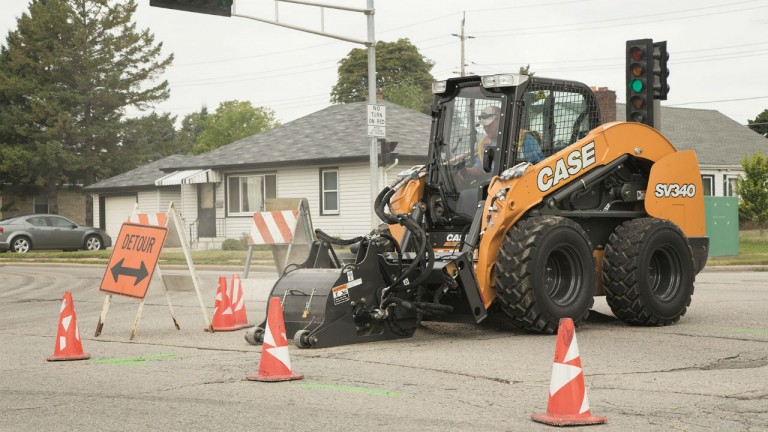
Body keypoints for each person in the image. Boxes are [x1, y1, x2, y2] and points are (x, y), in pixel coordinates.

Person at [456, 105, 500, 187]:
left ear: (501, 121)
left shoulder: (522, 139)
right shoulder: (484, 142)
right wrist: (466, 171)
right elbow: (479, 168)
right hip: (488, 185)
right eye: (484, 125)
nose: (486, 128)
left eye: (489, 125)